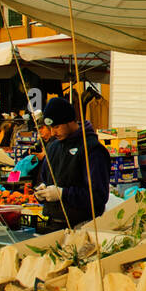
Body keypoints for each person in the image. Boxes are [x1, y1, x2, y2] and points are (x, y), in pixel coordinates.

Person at [31, 97, 109, 234]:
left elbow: (98, 196)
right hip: (52, 226)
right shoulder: (53, 147)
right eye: (51, 127)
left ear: (71, 121)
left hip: (82, 228)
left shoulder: (92, 149)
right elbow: (44, 178)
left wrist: (63, 194)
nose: (53, 133)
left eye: (57, 127)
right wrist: (42, 190)